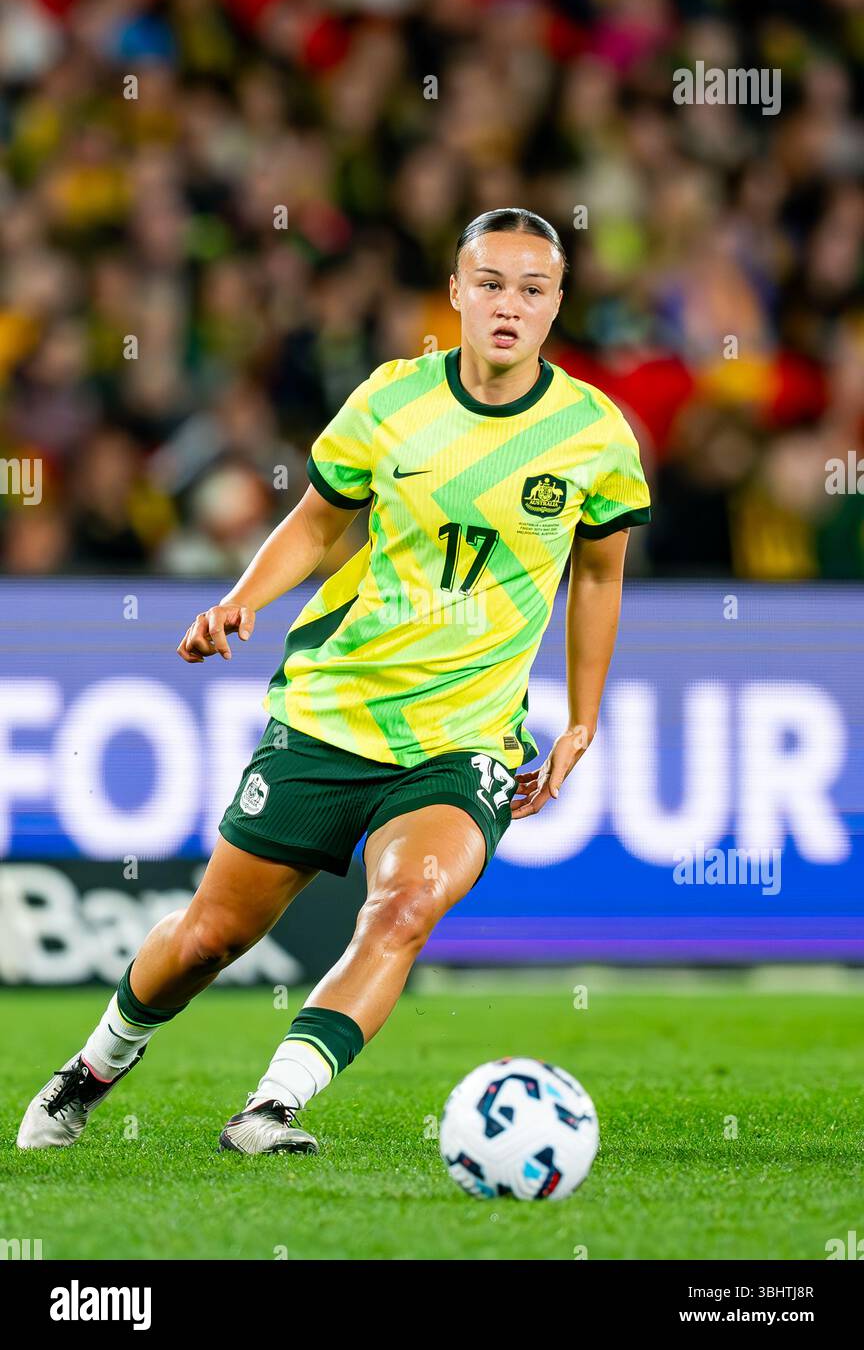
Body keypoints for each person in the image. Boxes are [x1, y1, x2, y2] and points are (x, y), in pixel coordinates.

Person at [18, 209, 651, 1154]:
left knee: (405, 906)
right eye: (490, 285)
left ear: (557, 305)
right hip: (330, 714)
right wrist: (242, 601)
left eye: (531, 289)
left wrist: (582, 719)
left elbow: (598, 575)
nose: (508, 306)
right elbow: (316, 524)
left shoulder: (593, 434)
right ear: (456, 293)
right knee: (208, 939)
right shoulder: (393, 401)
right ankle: (90, 1070)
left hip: (464, 737)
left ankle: (271, 1107)